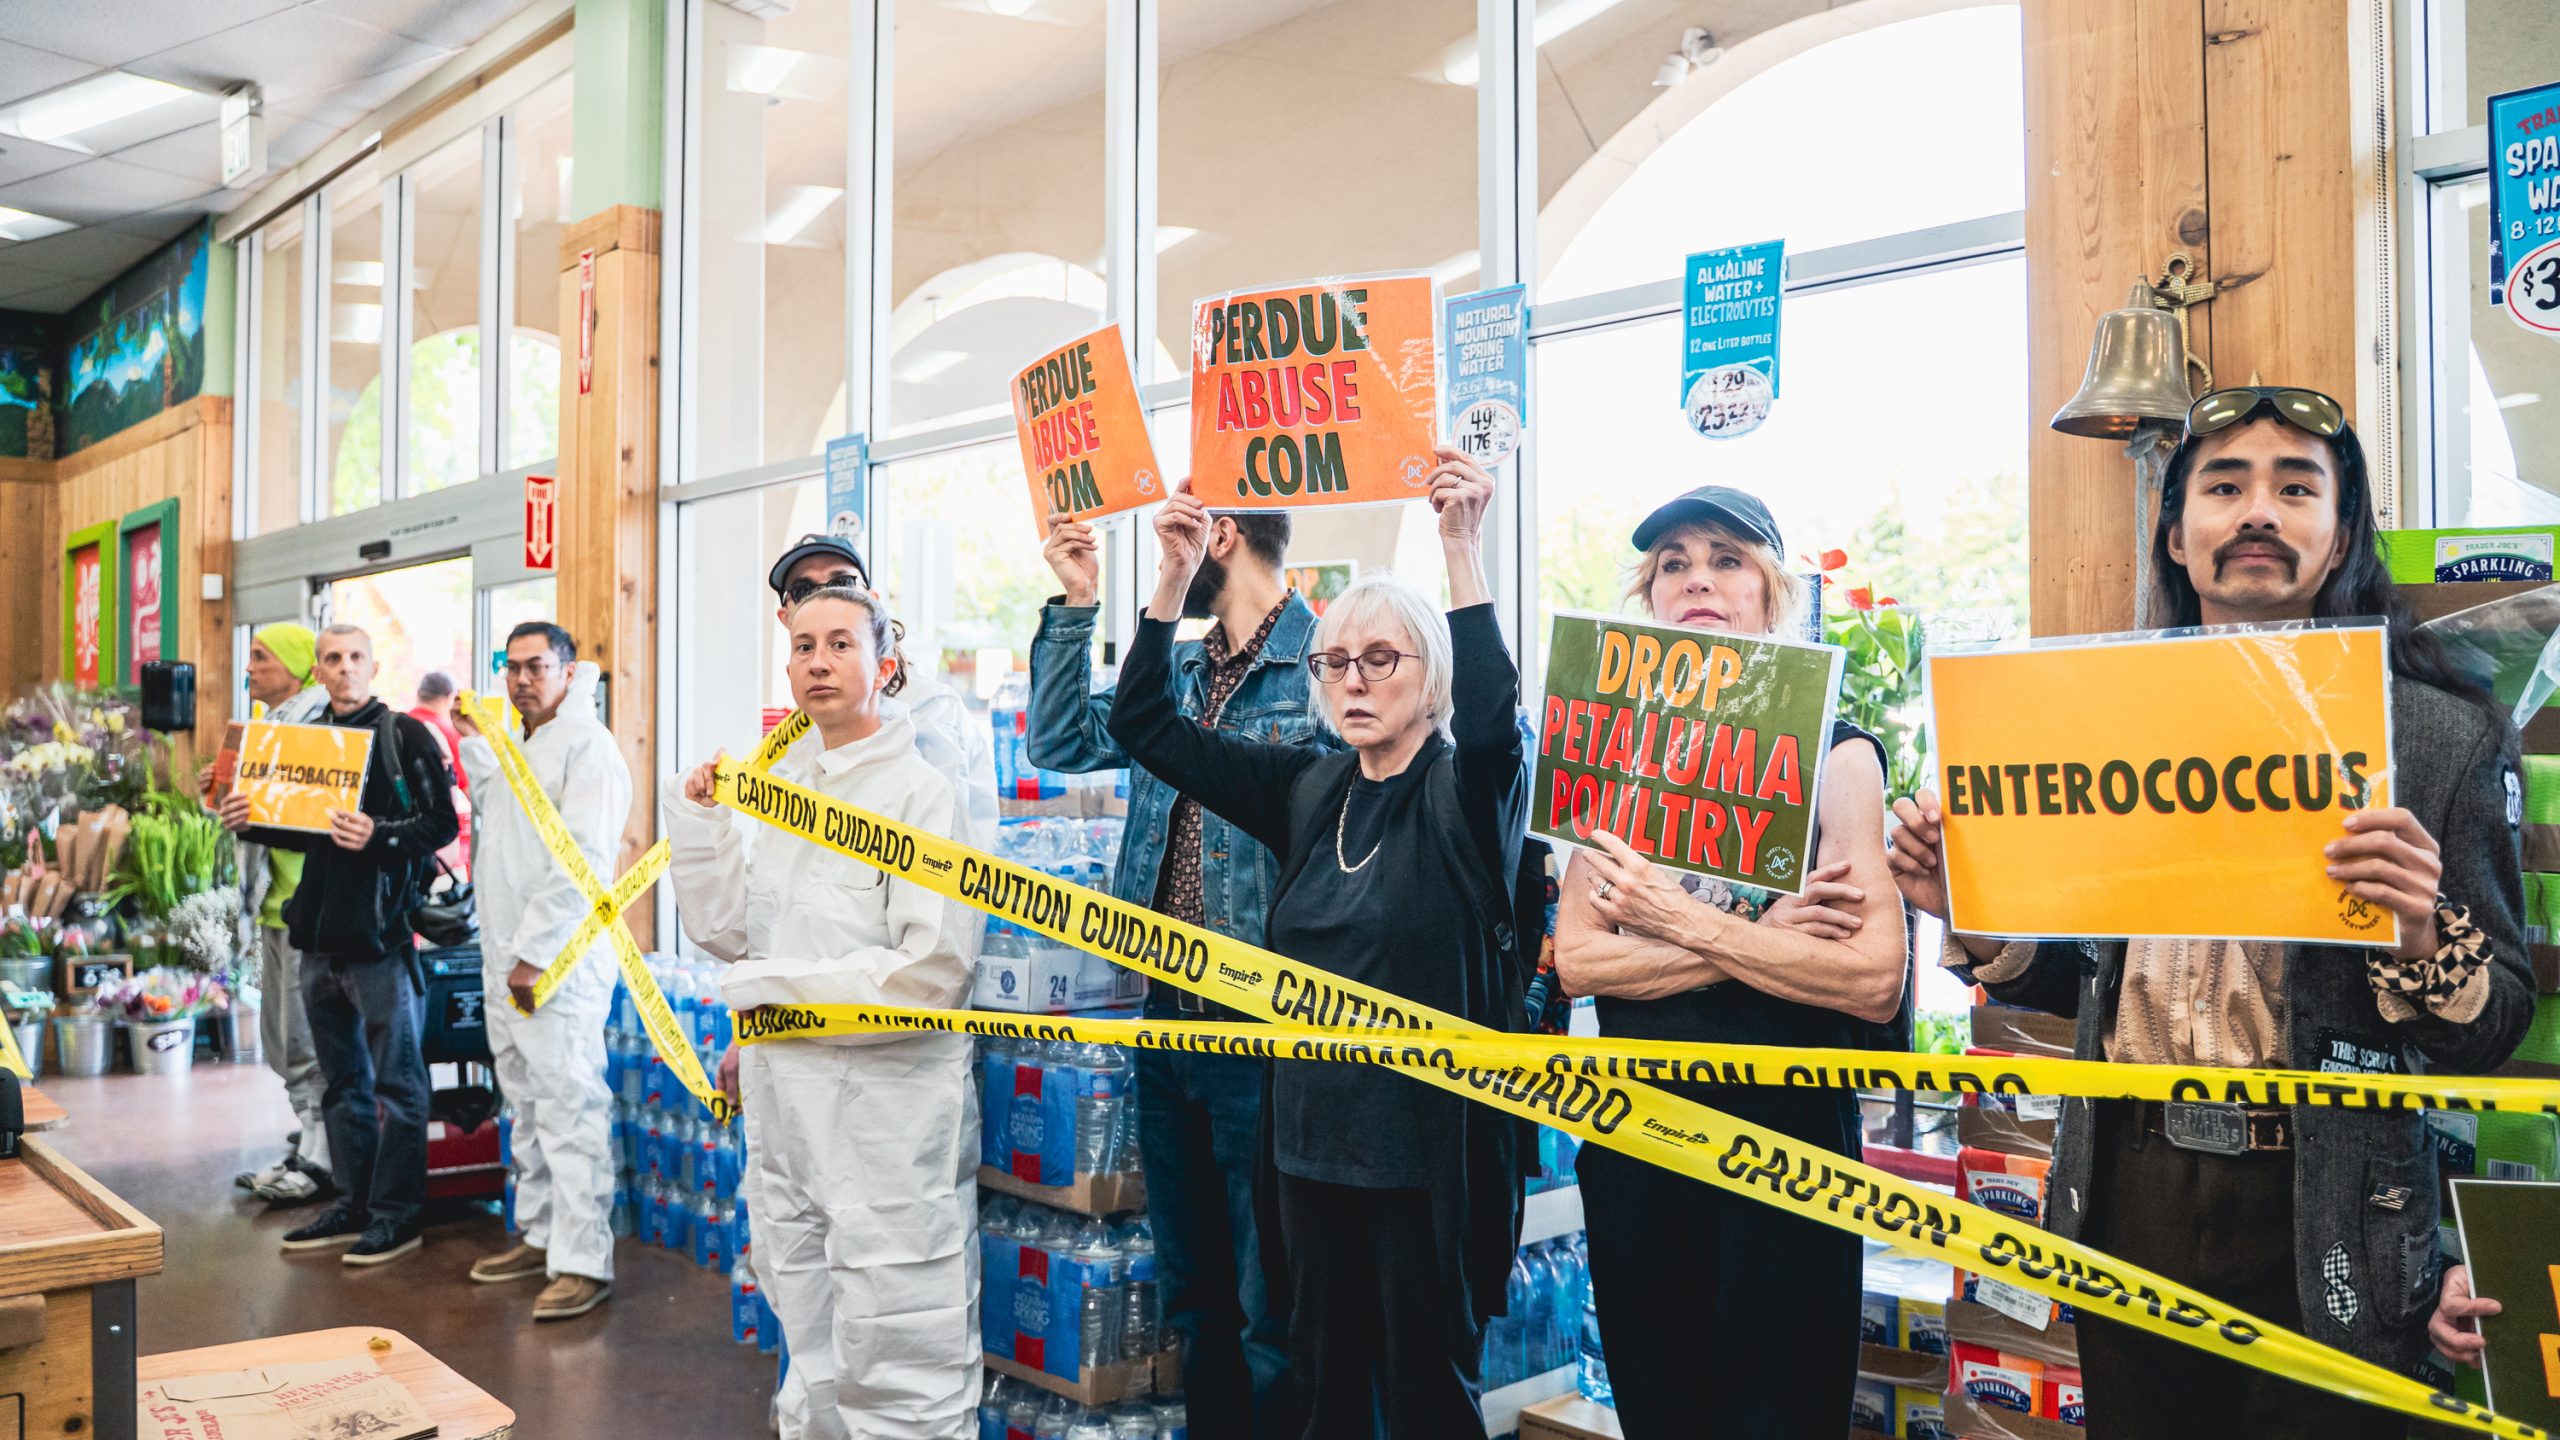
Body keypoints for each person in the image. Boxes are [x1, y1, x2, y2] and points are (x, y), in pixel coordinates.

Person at [1885, 387, 2532, 1440]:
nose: (2257, 513)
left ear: (2339, 536)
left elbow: (2500, 1020)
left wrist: (2423, 935)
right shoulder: (2097, 723)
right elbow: (2083, 980)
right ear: (2177, 538)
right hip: (2127, 1186)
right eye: (2223, 487)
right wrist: (1974, 919)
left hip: (2327, 1201)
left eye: (2294, 488)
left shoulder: (2439, 735)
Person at [1107, 454, 1526, 1440]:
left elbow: (1502, 724)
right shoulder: (1308, 790)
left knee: (1424, 1402)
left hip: (1424, 1167)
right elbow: (1143, 724)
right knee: (1323, 1401)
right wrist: (1170, 580)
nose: (1352, 679)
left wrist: (1459, 547)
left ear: (1434, 680)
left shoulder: (1466, 794)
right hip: (1303, 1158)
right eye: (1334, 661)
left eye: (1382, 659)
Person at [1552, 486, 1906, 1440]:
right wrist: (1765, 940)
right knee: (1661, 1412)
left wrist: (1672, 925)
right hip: (1639, 1135)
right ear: (1651, 596)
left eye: (1727, 559)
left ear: (1772, 592)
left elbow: (1874, 978)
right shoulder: (1609, 757)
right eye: (1674, 563)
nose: (1698, 580)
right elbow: (1580, 961)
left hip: (1785, 1142)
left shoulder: (1837, 758)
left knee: (1778, 1418)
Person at [666, 584, 985, 1440]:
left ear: (884, 665)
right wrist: (702, 825)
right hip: (788, 1111)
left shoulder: (923, 796)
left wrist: (779, 996)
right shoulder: (781, 792)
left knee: (903, 1337)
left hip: (888, 1116)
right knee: (809, 1328)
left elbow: (932, 971)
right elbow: (731, 933)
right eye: (804, 645)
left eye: (840, 643)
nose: (818, 661)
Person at [1027, 501, 1314, 1437]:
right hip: (1163, 1015)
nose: (1169, 547)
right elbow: (1062, 743)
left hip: (1266, 1020)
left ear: (1220, 536)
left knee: (1271, 1297)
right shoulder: (1179, 667)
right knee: (1193, 1289)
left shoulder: (1325, 667)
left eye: (1184, 532)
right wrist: (1079, 602)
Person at [221, 624, 461, 1268]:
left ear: (374, 666)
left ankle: (396, 1215)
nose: (345, 668)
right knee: (340, 1083)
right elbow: (307, 838)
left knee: (398, 1082)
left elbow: (440, 824)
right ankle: (353, 1202)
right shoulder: (309, 744)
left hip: (380, 937)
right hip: (318, 938)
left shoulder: (405, 736)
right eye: (333, 659)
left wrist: (378, 833)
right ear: (319, 672)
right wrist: (254, 819)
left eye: (356, 657)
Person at [454, 623, 628, 1322]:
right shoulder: (527, 742)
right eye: (513, 668)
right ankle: (540, 1234)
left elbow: (579, 861)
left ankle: (584, 1261)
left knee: (569, 1107)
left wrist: (535, 954)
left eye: (537, 667)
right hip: (507, 959)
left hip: (557, 965)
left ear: (568, 670)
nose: (523, 680)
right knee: (524, 1106)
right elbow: (506, 825)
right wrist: (473, 738)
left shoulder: (589, 747)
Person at [765, 534, 996, 832]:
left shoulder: (931, 710)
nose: (823, 599)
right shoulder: (794, 734)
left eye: (842, 584)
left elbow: (949, 844)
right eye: (803, 590)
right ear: (786, 618)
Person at [219, 622, 335, 1206]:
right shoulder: (271, 728)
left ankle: (320, 1159)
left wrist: (255, 809)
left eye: (261, 658)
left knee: (303, 1041)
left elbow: (309, 818)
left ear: (294, 664)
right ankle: (308, 1143)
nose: (250, 669)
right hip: (270, 905)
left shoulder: (315, 730)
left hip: (301, 908)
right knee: (279, 1039)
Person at [408, 669, 473, 880]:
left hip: (404, 842)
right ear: (448, 697)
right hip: (439, 847)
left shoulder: (399, 728)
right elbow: (471, 791)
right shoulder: (450, 733)